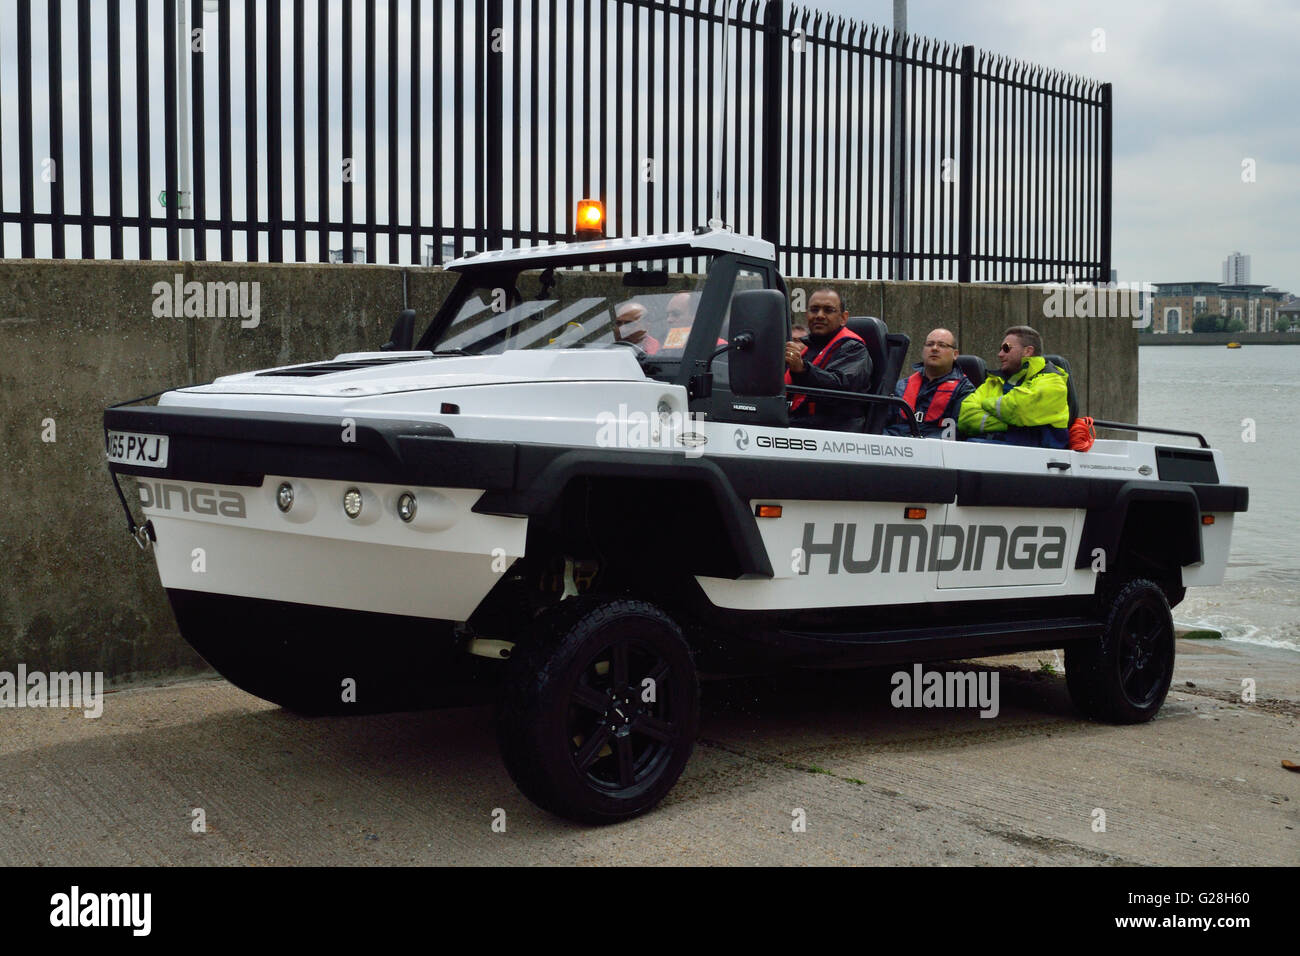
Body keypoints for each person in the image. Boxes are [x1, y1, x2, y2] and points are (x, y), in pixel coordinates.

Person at [958, 325, 1069, 448]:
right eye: (1000, 349)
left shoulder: (1053, 380)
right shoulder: (994, 381)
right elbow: (965, 416)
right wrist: (1011, 426)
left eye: (1006, 348)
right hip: (988, 451)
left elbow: (1020, 408)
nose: (999, 354)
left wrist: (986, 404)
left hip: (1036, 460)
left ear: (1028, 351)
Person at [784, 287, 872, 431]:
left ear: (843, 318)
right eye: (814, 309)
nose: (819, 315)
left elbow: (839, 387)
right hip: (798, 425)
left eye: (828, 310)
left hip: (833, 430)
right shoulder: (808, 348)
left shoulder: (854, 349)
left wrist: (802, 370)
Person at [884, 327, 974, 438]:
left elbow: (959, 433)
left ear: (955, 354)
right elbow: (883, 424)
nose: (934, 348)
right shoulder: (901, 386)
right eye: (930, 344)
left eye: (942, 345)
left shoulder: (964, 390)